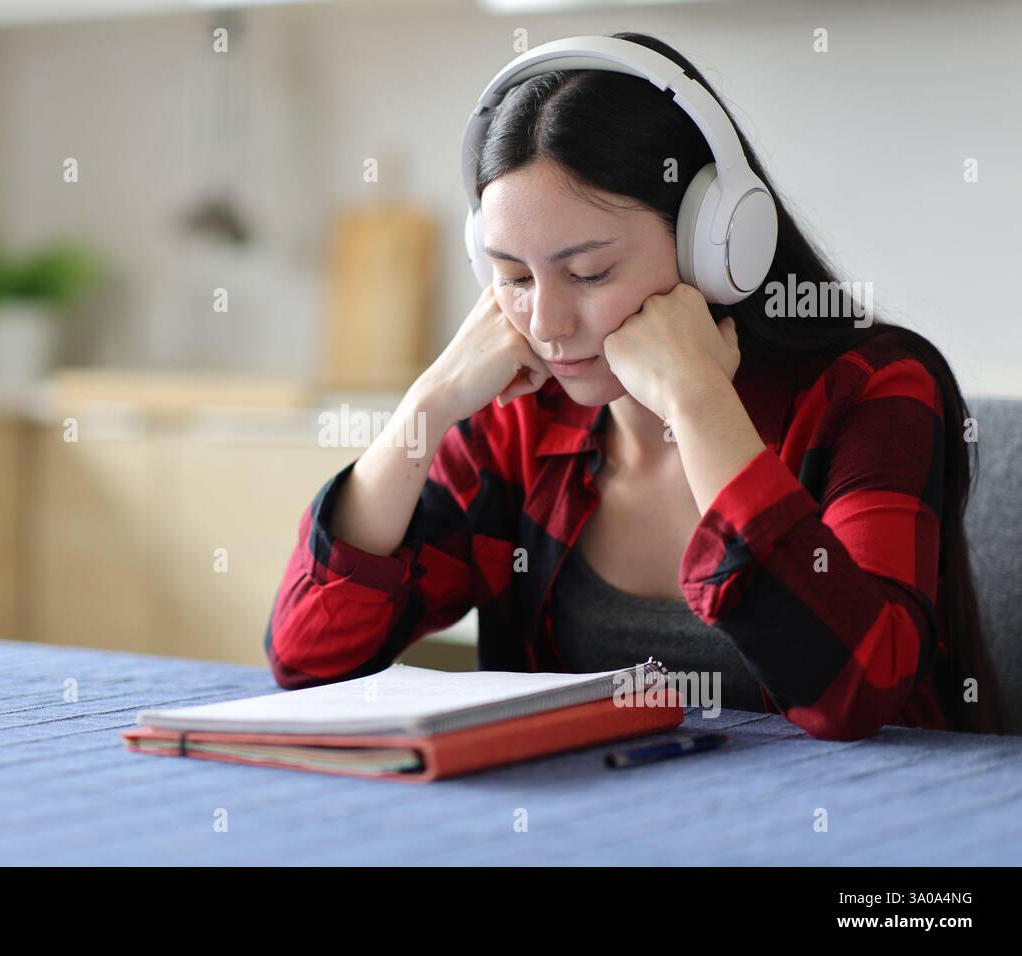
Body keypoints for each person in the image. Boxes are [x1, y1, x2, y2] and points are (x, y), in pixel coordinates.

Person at [263, 32, 1005, 740]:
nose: (547, 323)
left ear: (716, 247)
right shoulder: (519, 421)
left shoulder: (869, 392)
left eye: (589, 274)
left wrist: (698, 400)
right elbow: (308, 659)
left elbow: (856, 691)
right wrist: (428, 405)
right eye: (514, 277)